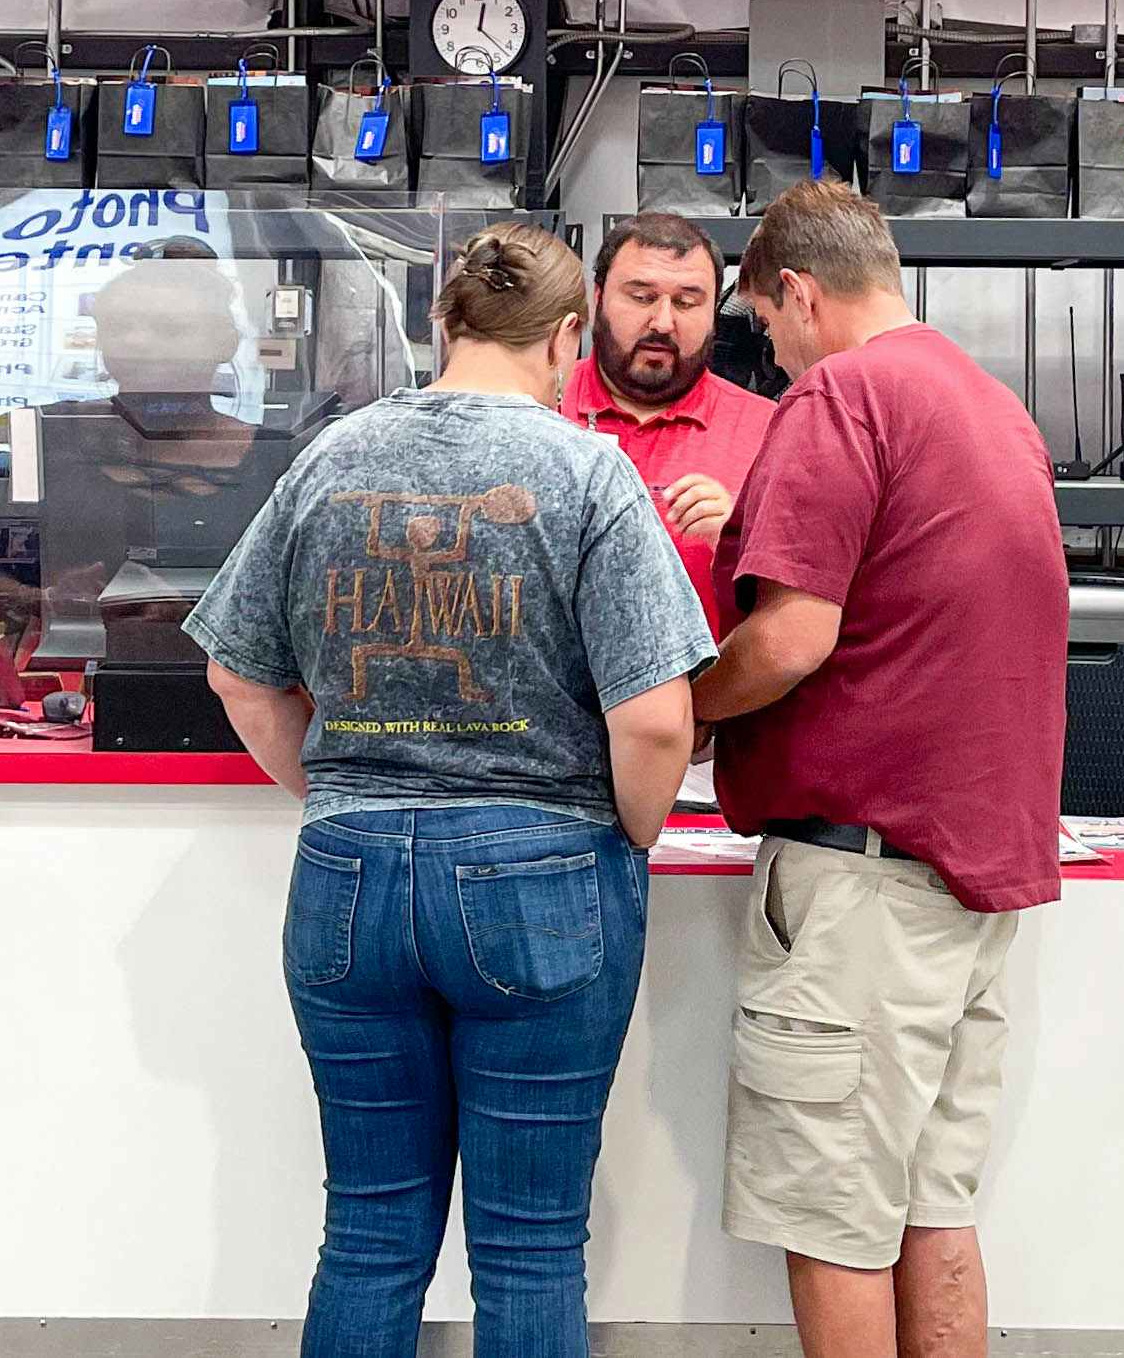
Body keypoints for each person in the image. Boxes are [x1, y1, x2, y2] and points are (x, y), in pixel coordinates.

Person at [192, 223, 714, 1358]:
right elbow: (658, 714)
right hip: (543, 875)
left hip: (346, 877)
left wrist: (331, 788)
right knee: (528, 1247)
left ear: (441, 323)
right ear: (570, 338)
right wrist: (628, 831)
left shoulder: (328, 459)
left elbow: (238, 670)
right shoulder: (588, 472)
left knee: (370, 1232)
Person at [696, 180, 1069, 1358]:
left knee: (833, 1218)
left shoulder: (843, 393)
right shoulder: (989, 404)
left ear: (797, 292)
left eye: (763, 323)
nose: (772, 350)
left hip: (860, 890)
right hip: (962, 885)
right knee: (932, 1208)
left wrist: (685, 716)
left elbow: (794, 636)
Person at [563, 211, 776, 632]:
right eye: (641, 297)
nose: (662, 322)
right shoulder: (542, 408)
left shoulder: (771, 431)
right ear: (598, 298)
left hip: (709, 693)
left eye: (686, 302)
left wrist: (741, 541)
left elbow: (800, 618)